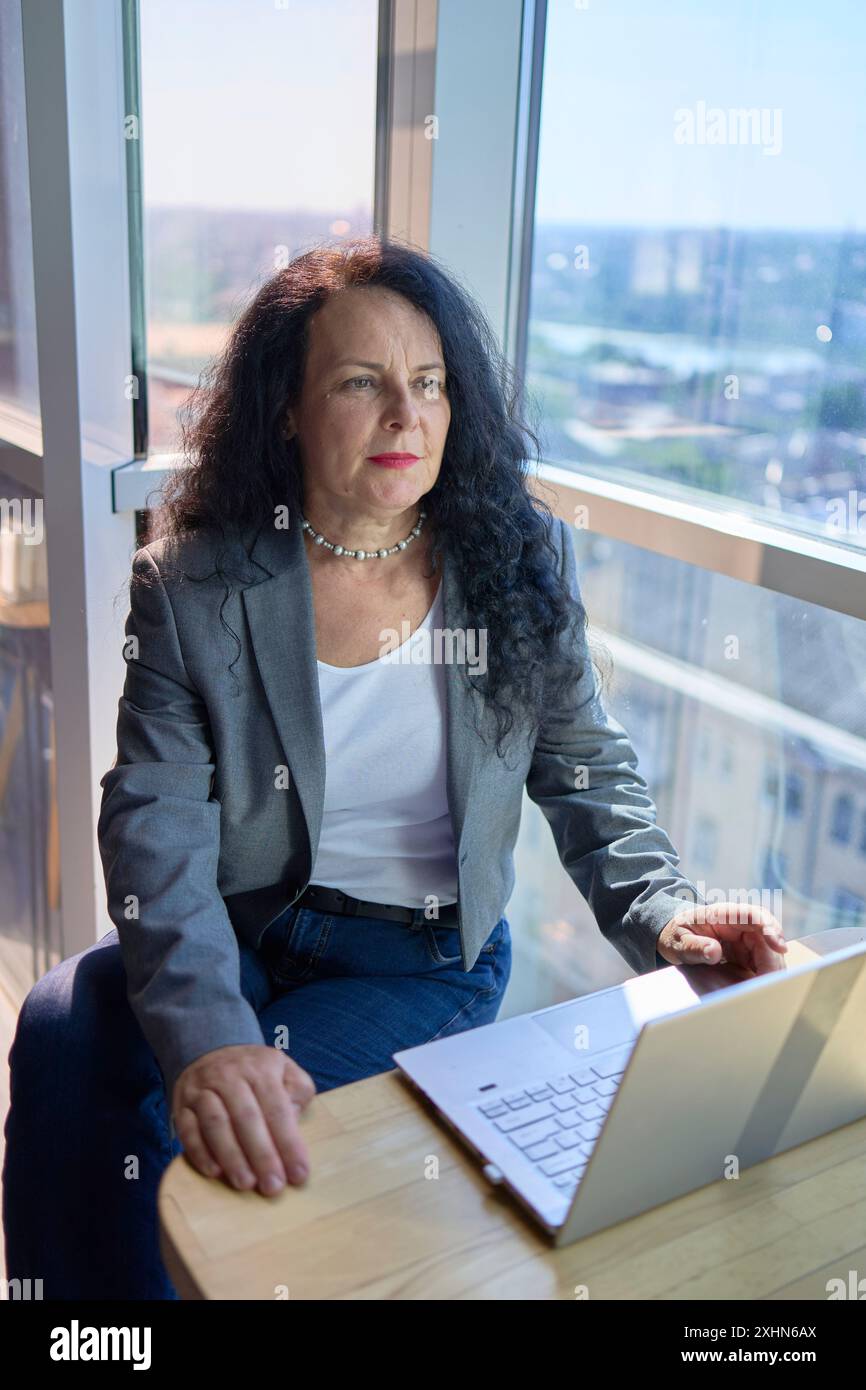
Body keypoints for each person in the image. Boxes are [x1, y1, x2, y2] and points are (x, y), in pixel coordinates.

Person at [2, 237, 787, 1300]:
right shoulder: (190, 586)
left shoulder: (513, 557)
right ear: (286, 407)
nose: (403, 416)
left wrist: (661, 909)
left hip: (416, 962)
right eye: (360, 383)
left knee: (177, 1128)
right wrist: (210, 1034)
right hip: (245, 927)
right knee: (58, 1029)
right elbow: (155, 824)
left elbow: (583, 764)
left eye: (426, 384)